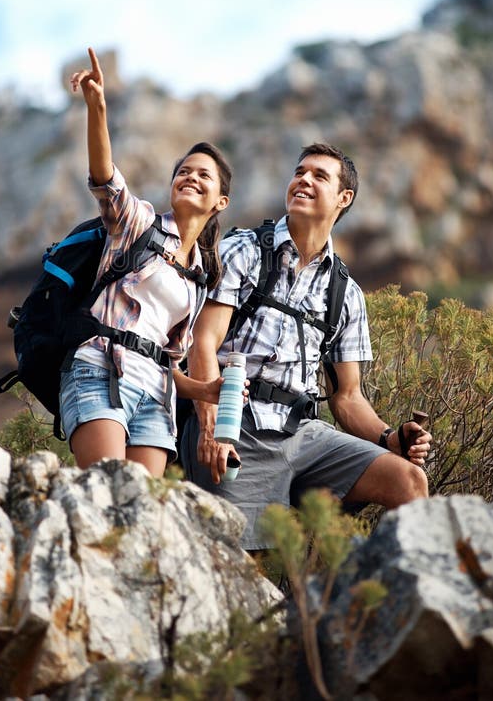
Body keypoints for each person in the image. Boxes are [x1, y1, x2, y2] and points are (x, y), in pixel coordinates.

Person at [182, 142, 432, 550]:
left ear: (343, 198)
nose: (303, 180)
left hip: (304, 433)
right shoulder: (243, 251)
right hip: (236, 427)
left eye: (319, 176)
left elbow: (348, 398)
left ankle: (404, 602)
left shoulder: (345, 293)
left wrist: (390, 438)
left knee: (407, 479)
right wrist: (212, 430)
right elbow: (203, 344)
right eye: (300, 172)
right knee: (245, 569)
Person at [60, 47, 232, 476]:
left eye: (203, 175)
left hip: (156, 401)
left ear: (220, 202)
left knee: (140, 518)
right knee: (106, 496)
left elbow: (167, 361)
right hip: (100, 372)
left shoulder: (200, 276)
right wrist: (97, 107)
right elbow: (105, 180)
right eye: (184, 171)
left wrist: (206, 389)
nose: (190, 177)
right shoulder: (139, 223)